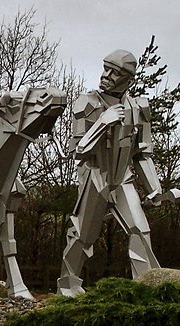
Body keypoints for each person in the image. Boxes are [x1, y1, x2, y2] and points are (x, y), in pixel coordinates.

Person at [57, 49, 162, 297]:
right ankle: (67, 287)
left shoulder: (139, 108)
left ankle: (147, 289)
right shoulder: (88, 103)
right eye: (105, 69)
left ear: (128, 79)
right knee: (82, 236)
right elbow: (79, 150)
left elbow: (143, 154)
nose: (106, 76)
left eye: (114, 72)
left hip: (123, 180)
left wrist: (153, 187)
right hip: (96, 177)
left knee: (140, 231)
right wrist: (104, 121)